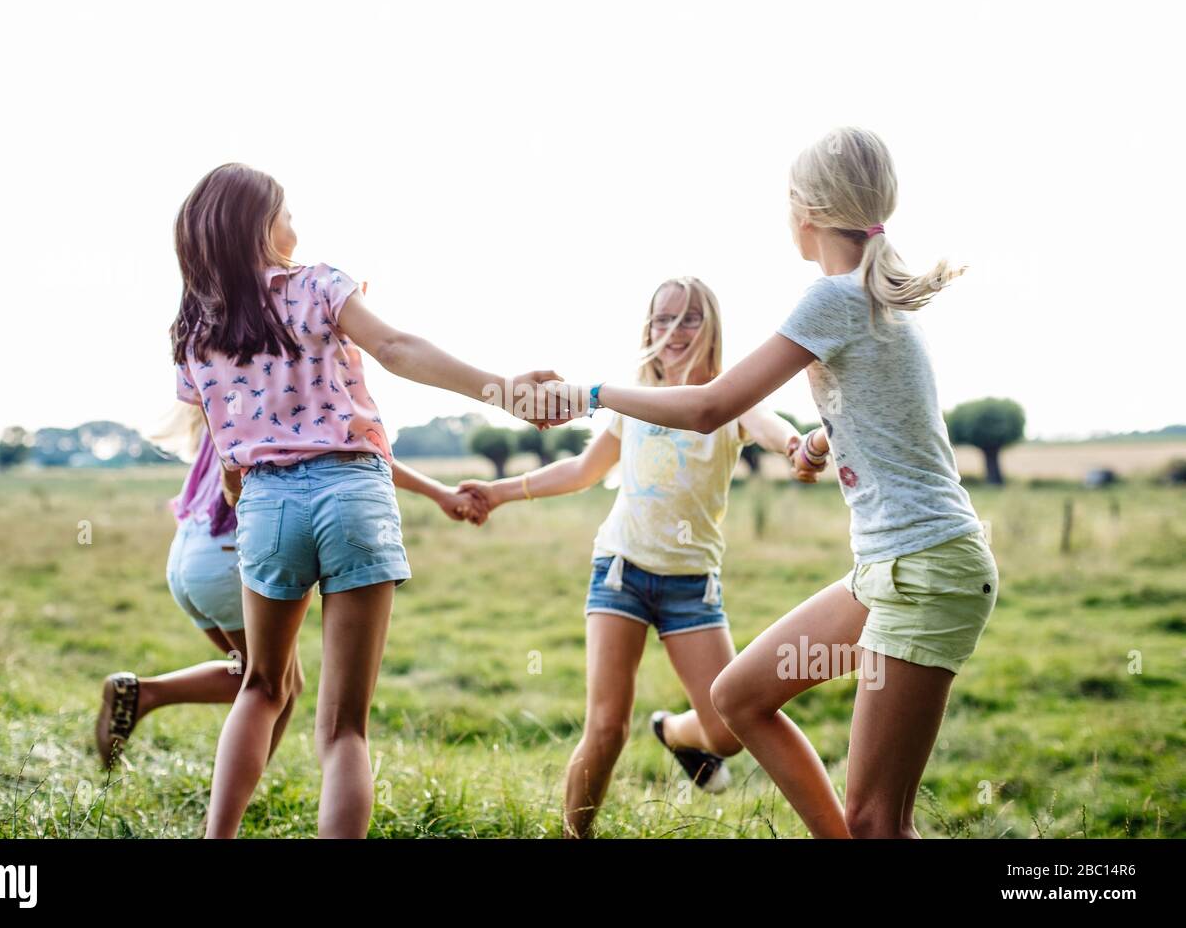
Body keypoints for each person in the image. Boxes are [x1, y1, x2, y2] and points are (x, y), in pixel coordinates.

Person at [549, 128, 998, 838]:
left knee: (881, 821)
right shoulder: (872, 300)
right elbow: (889, 413)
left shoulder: (833, 298)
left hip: (926, 566)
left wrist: (596, 390)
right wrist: (822, 438)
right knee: (739, 695)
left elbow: (708, 407)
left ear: (805, 212)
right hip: (891, 568)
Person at [171, 162, 563, 838]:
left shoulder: (193, 333)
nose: (296, 224)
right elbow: (395, 347)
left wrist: (254, 497)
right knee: (343, 729)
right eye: (286, 210)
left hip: (263, 508)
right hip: (352, 492)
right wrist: (502, 390)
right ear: (260, 224)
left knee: (261, 687)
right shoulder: (320, 282)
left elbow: (223, 446)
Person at [459, 277, 813, 838]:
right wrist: (500, 493)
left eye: (690, 319)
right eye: (662, 319)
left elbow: (772, 428)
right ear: (647, 328)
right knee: (606, 727)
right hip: (620, 572)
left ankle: (674, 732)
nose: (673, 331)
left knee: (725, 733)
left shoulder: (730, 399)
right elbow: (581, 471)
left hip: (692, 587)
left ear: (712, 327)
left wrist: (795, 446)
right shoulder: (633, 401)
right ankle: (575, 835)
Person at [94, 405, 489, 770]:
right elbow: (360, 450)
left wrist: (439, 493)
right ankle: (221, 814)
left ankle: (144, 694)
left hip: (189, 553)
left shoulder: (229, 392)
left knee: (260, 678)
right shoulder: (290, 391)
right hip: (229, 551)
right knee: (270, 688)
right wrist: (439, 493)